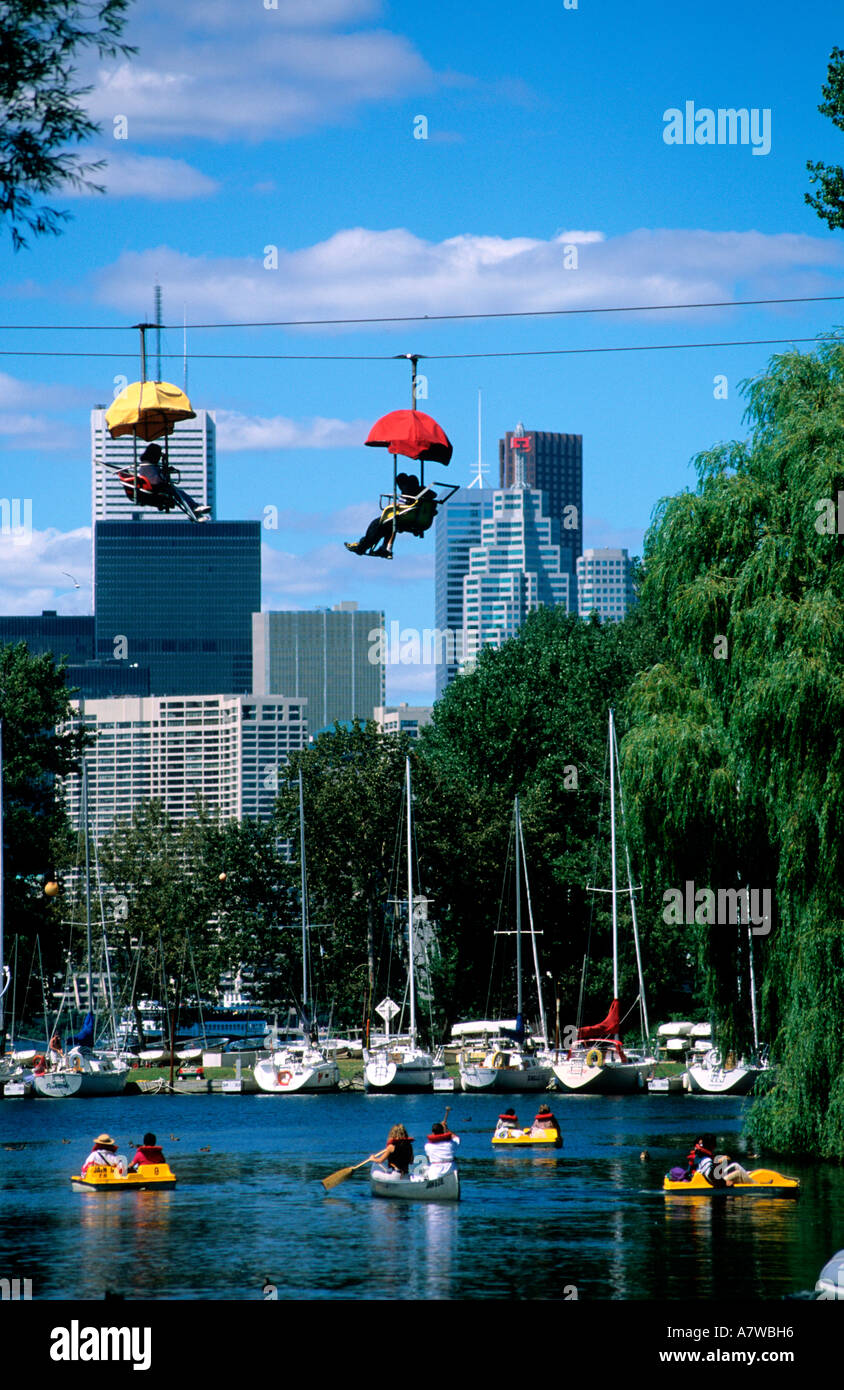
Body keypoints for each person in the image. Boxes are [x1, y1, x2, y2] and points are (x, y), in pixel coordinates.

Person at [345, 473, 432, 558]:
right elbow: (433, 495)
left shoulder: (407, 495)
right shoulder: (423, 497)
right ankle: (382, 548)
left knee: (376, 524)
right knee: (387, 526)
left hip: (404, 517)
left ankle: (362, 546)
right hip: (416, 520)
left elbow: (401, 507)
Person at [117, 444, 211, 523]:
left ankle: (195, 510)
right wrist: (164, 479)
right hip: (155, 491)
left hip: (153, 490)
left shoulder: (146, 465)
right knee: (178, 492)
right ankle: (194, 507)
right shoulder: (148, 466)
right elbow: (155, 480)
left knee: (178, 494)